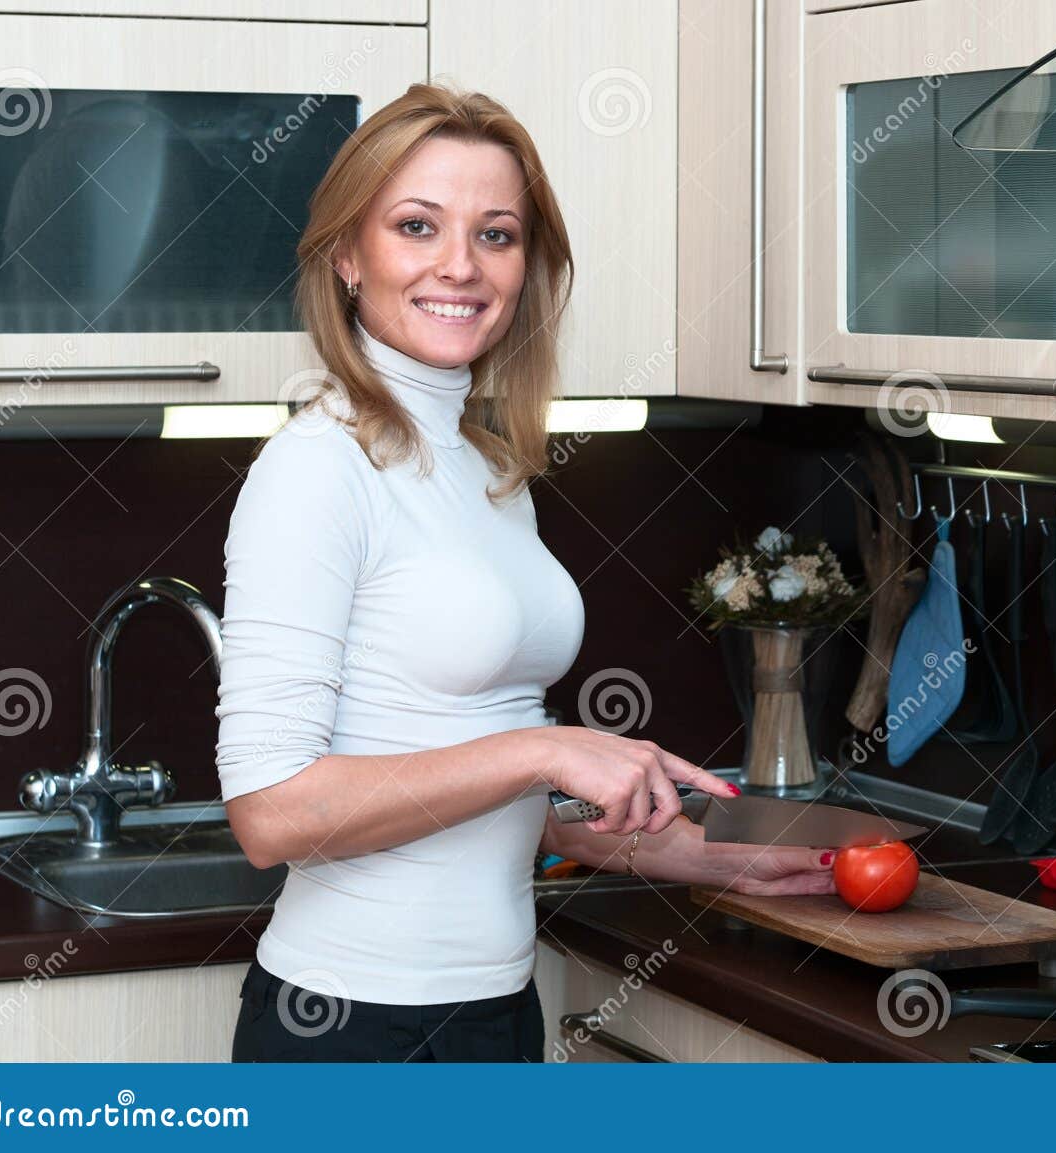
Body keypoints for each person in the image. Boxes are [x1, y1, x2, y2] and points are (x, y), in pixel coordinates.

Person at [215, 83, 835, 1063]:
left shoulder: (485, 466)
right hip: (352, 1023)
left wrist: (702, 855)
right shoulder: (317, 467)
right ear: (347, 255)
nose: (460, 265)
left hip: (494, 1010)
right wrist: (545, 749)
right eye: (417, 226)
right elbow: (271, 813)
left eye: (495, 234)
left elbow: (492, 792)